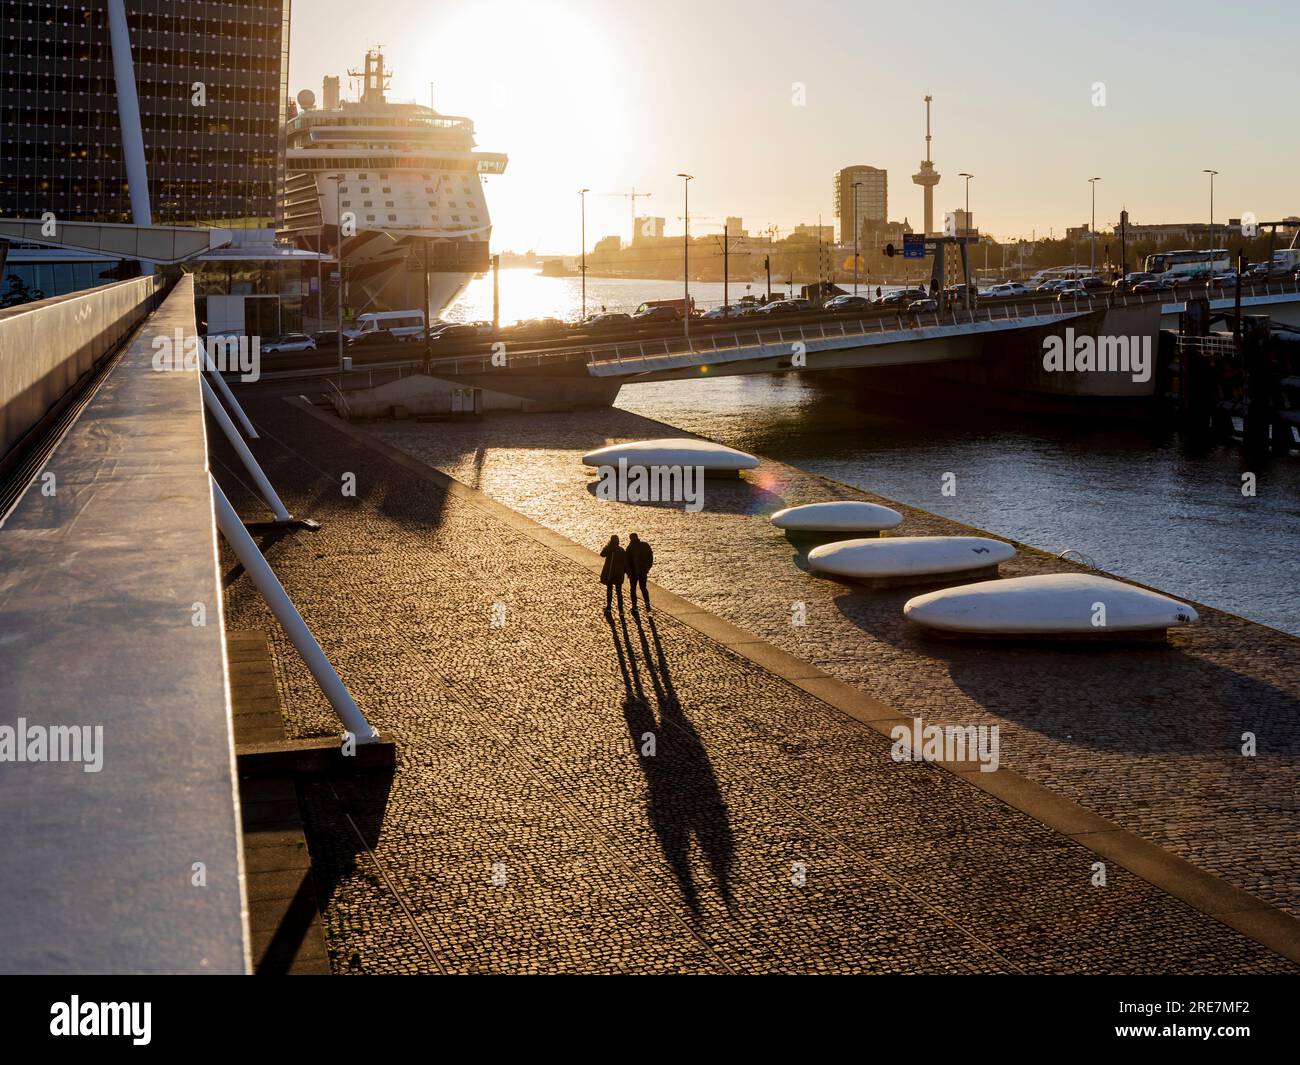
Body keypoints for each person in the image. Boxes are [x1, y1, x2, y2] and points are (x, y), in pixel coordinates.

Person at [626, 533, 653, 612]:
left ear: (630, 539)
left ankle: (634, 606)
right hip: (643, 571)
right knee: (643, 588)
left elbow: (627, 561)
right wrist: (648, 567)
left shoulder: (630, 547)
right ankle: (647, 603)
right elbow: (650, 557)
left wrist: (628, 572)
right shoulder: (645, 545)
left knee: (633, 589)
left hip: (633, 572)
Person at [599, 534, 627, 613]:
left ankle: (609, 606)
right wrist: (626, 572)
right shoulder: (621, 550)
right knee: (619, 592)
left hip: (610, 573)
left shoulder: (609, 549)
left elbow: (602, 554)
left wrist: (607, 545)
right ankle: (621, 609)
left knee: (609, 590)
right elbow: (625, 563)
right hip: (619, 574)